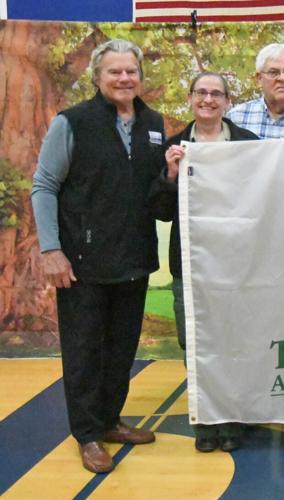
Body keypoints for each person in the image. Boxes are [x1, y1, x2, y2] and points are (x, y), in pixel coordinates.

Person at [31, 39, 163, 473]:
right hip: (81, 263)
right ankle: (87, 434)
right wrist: (52, 250)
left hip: (133, 259)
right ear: (97, 77)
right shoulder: (72, 122)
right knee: (85, 349)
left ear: (140, 76)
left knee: (121, 347)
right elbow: (44, 186)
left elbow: (156, 189)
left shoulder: (154, 123)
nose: (124, 79)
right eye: (115, 72)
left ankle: (110, 421)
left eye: (131, 71)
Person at [149, 72, 276, 453]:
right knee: (196, 343)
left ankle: (234, 417)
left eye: (216, 94)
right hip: (190, 266)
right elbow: (160, 212)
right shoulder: (174, 146)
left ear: (227, 101)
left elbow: (265, 196)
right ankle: (205, 420)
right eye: (201, 92)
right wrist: (171, 175)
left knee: (235, 341)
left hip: (239, 265)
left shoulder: (248, 144)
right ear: (190, 99)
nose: (208, 99)